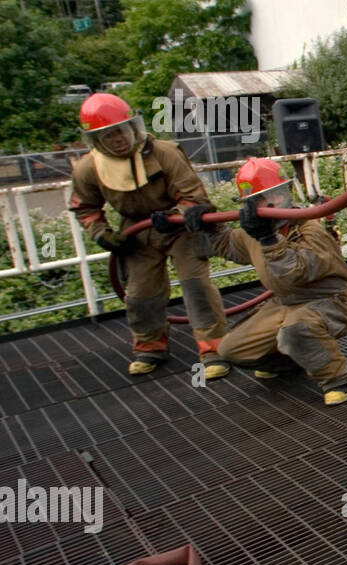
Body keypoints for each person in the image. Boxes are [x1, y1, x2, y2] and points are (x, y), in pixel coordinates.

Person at [69, 93, 229, 377]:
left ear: (133, 127)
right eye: (107, 135)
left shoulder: (165, 152)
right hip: (136, 232)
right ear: (96, 141)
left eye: (120, 130)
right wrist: (101, 233)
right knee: (141, 294)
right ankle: (150, 347)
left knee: (196, 287)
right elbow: (85, 208)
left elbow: (196, 197)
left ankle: (214, 349)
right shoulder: (88, 168)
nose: (116, 138)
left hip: (179, 227)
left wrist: (176, 216)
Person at [205, 158, 347, 406]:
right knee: (231, 349)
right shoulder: (255, 233)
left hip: (332, 300)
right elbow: (226, 244)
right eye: (259, 199)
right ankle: (288, 360)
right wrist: (206, 224)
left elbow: (294, 273)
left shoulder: (310, 230)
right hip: (286, 303)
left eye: (276, 195)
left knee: (295, 330)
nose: (270, 204)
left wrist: (268, 239)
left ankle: (335, 377)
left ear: (287, 194)